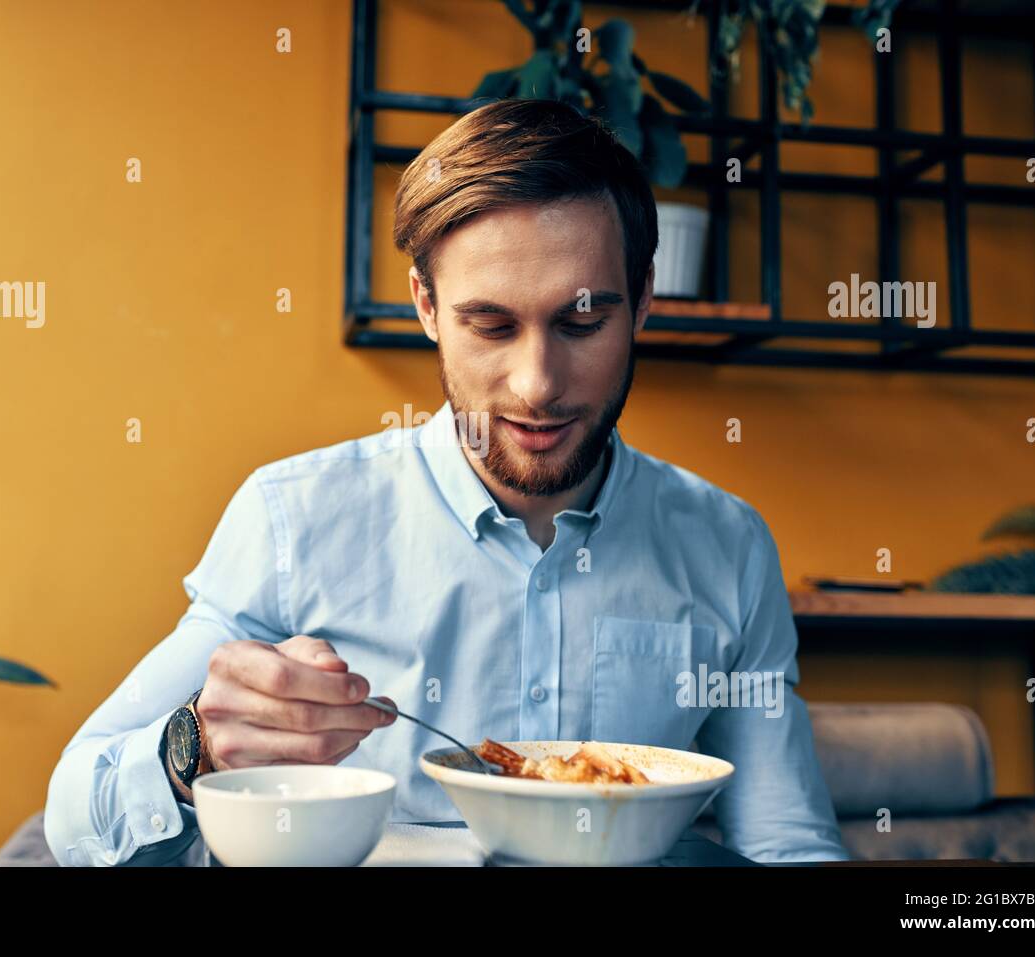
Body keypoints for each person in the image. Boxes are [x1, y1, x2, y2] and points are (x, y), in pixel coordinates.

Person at [44, 98, 848, 866]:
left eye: (581, 322)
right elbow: (73, 817)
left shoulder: (728, 545)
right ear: (426, 305)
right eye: (491, 325)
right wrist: (196, 749)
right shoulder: (293, 520)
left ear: (642, 301)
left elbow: (785, 843)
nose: (537, 383)